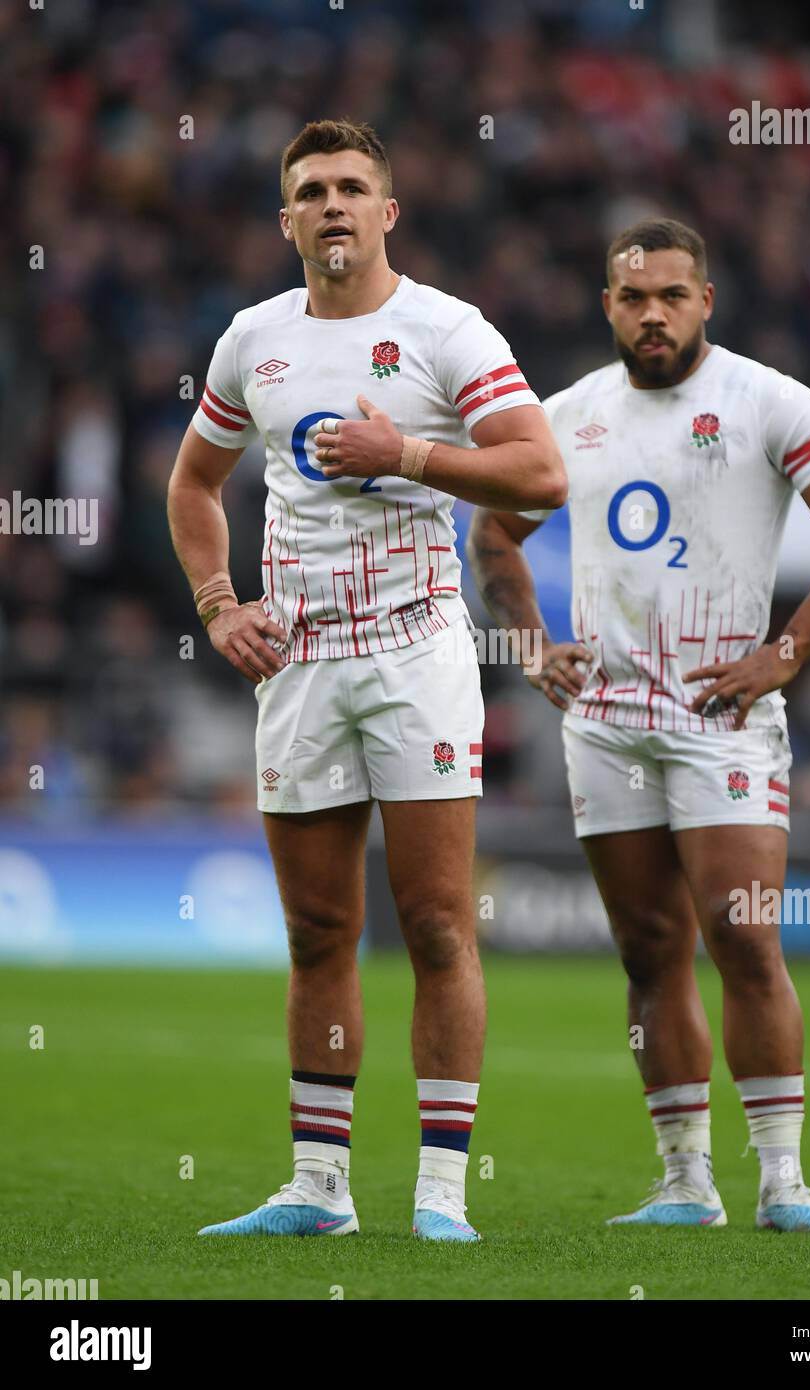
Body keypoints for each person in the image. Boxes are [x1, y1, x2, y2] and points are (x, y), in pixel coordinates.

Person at [167, 119, 566, 1242]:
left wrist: (412, 456)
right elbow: (193, 483)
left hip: (416, 648)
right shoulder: (255, 339)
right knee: (316, 932)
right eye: (311, 190)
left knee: (437, 922)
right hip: (297, 656)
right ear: (285, 219)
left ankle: (440, 1193)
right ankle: (318, 1189)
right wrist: (218, 605)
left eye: (352, 187)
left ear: (389, 212)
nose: (332, 204)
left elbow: (542, 468)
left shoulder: (446, 329)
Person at [468, 218, 810, 1234]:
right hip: (606, 722)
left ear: (707, 300)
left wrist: (785, 653)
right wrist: (532, 646)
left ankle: (785, 1182)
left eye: (671, 294)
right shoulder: (565, 416)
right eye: (632, 297)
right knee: (650, 950)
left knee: (744, 938)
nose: (652, 313)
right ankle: (683, 1181)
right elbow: (493, 529)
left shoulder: (765, 400)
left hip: (725, 714)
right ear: (607, 306)